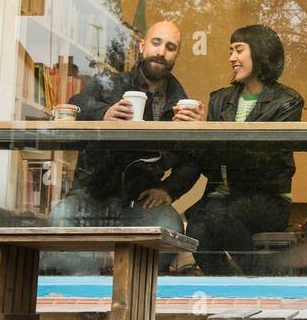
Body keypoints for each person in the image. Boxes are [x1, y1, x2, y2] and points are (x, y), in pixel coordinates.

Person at [47, 21, 202, 270]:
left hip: (138, 202)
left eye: (170, 47)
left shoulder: (179, 102)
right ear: (142, 46)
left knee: (170, 227)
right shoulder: (111, 83)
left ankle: (130, 294)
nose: (161, 52)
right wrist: (104, 114)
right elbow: (76, 104)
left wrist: (169, 189)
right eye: (156, 43)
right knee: (59, 220)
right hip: (91, 194)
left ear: (177, 55)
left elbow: (192, 161)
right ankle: (89, 295)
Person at [182, 24, 305, 276]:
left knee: (218, 215)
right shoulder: (219, 99)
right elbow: (209, 164)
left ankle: (257, 278)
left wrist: (209, 134)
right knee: (195, 229)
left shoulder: (288, 102)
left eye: (239, 50)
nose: (231, 58)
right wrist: (194, 134)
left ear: (260, 53)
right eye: (230, 51)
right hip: (220, 197)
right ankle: (229, 283)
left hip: (267, 198)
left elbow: (262, 158)